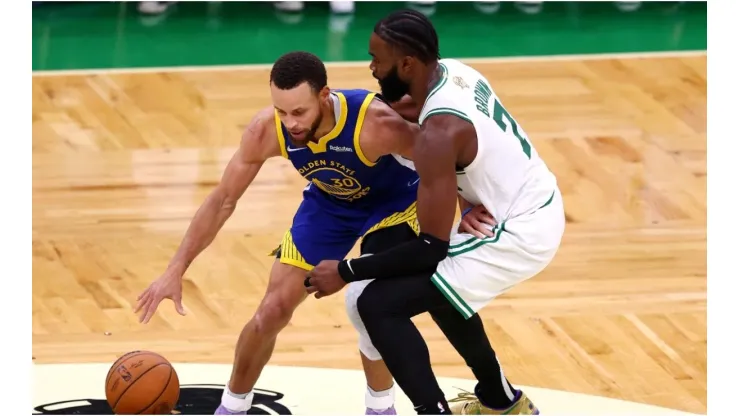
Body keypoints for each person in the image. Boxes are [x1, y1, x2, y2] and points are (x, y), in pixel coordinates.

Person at [134, 51, 424, 415]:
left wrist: (475, 206)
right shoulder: (267, 130)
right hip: (332, 205)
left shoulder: (376, 123)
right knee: (271, 310)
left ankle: (380, 408)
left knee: (369, 306)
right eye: (281, 111)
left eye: (299, 112)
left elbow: (447, 160)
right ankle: (232, 407)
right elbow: (223, 200)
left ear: (324, 95)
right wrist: (176, 268)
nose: (290, 123)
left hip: (394, 206)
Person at [305, 9, 565, 415]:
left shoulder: (438, 135)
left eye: (378, 59)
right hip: (531, 197)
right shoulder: (455, 72)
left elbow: (429, 249)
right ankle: (501, 401)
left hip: (519, 231)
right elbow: (428, 117)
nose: (371, 67)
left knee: (378, 305)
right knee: (442, 289)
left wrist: (343, 272)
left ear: (407, 63)